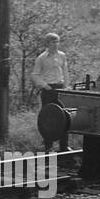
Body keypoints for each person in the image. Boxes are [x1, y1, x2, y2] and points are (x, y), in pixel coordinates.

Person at [32, 33, 71, 165]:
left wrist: (66, 87)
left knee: (65, 116)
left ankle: (64, 146)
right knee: (48, 118)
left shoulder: (62, 56)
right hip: (48, 90)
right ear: (47, 43)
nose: (55, 44)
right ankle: (49, 146)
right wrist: (45, 86)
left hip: (60, 88)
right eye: (52, 42)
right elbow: (35, 75)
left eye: (57, 42)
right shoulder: (41, 58)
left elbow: (65, 72)